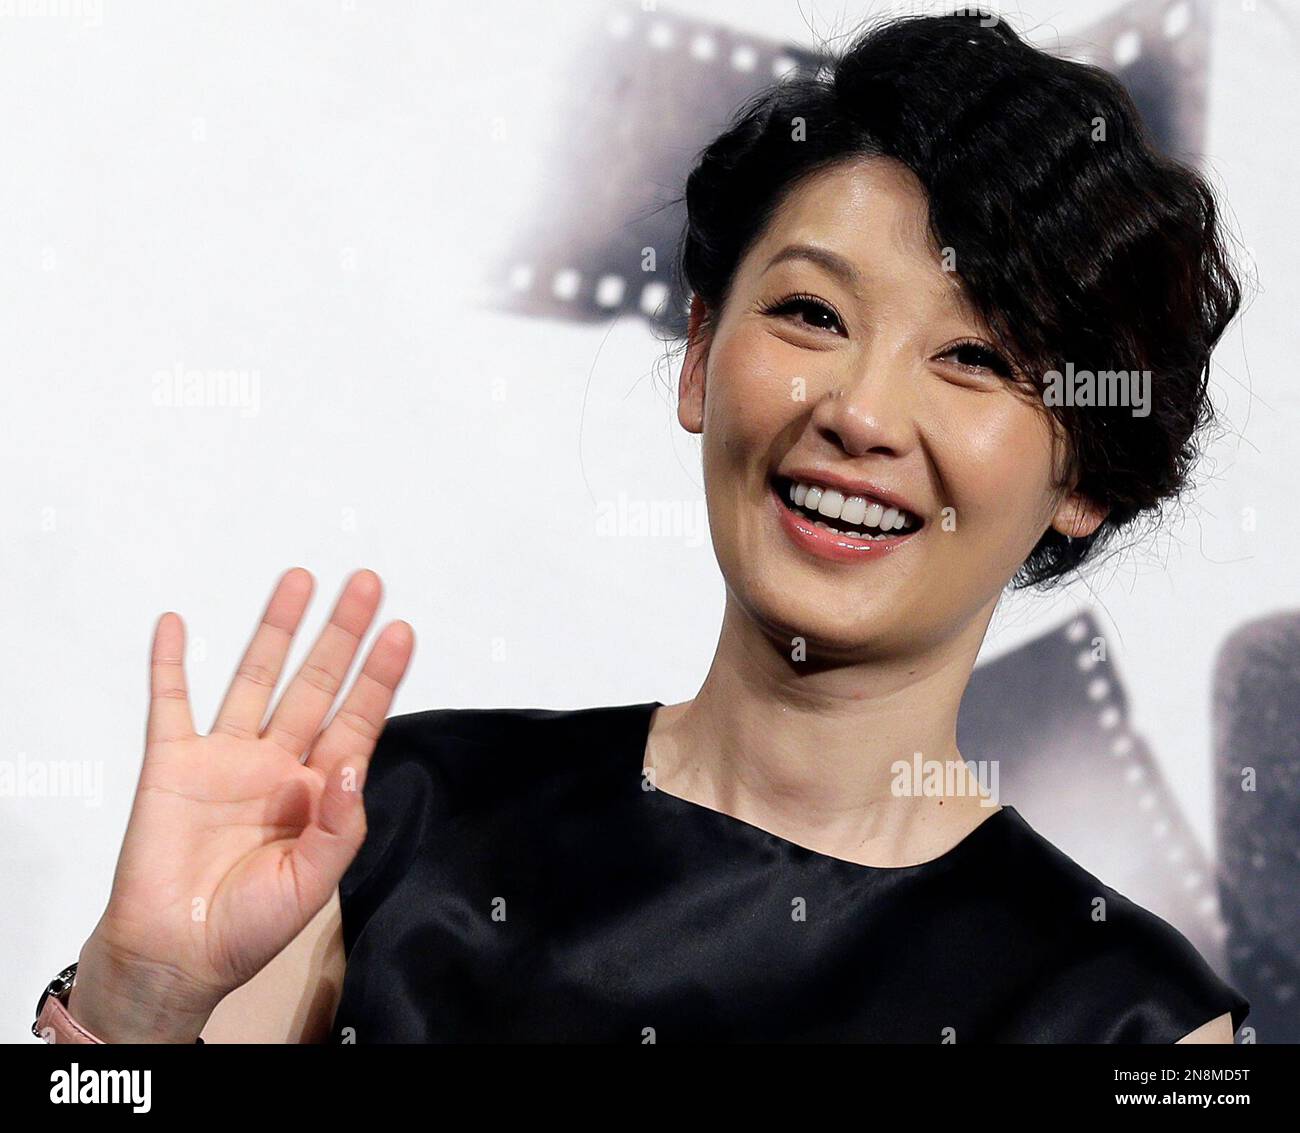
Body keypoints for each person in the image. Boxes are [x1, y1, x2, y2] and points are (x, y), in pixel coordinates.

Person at [38, 10, 1250, 1043]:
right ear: (701, 356)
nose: (862, 411)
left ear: (1086, 470)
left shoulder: (1132, 1017)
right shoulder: (394, 824)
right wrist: (140, 994)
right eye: (813, 314)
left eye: (975, 356)